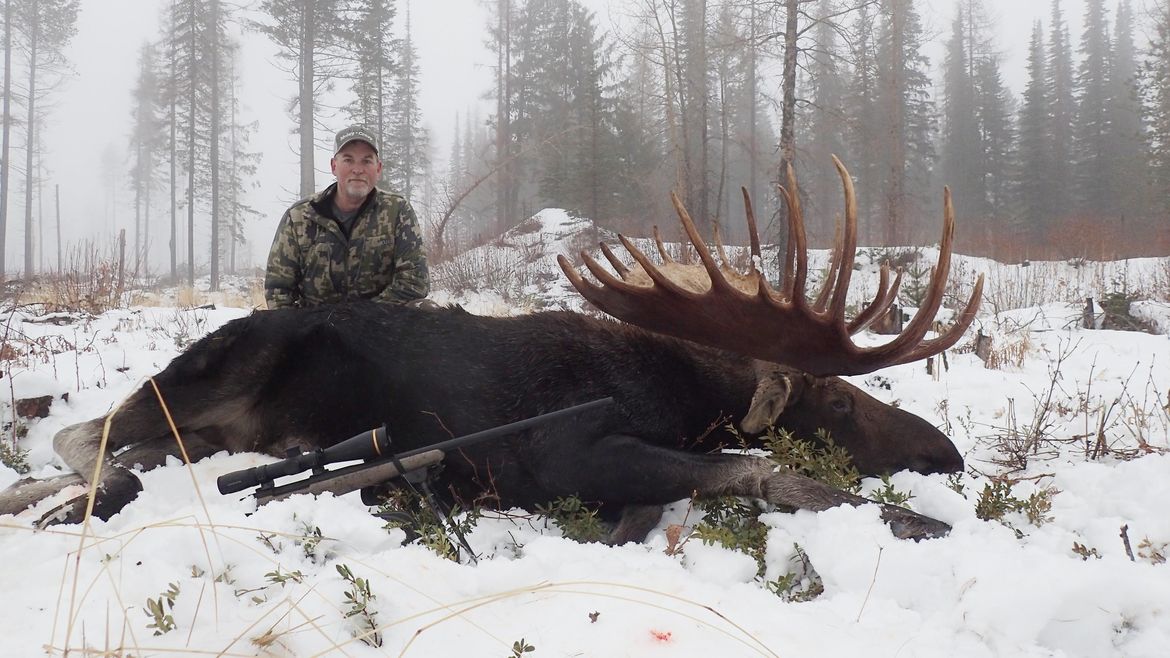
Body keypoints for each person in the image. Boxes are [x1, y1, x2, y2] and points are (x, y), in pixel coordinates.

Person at [264, 125, 430, 308]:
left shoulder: (397, 211)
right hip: (316, 330)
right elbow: (278, 290)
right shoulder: (299, 217)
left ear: (378, 168)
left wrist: (360, 321)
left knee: (428, 310)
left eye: (366, 161)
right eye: (348, 160)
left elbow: (415, 281)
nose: (357, 170)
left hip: (381, 326)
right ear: (334, 166)